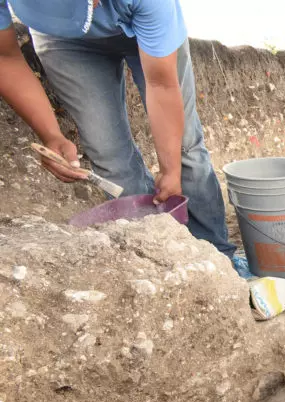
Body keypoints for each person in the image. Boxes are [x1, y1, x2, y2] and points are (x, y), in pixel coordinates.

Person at [0, 0, 252, 278]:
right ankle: (162, 264)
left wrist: (171, 170)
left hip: (141, 20)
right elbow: (5, 56)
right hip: (65, 42)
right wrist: (51, 135)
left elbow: (161, 83)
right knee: (110, 157)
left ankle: (220, 260)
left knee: (184, 148)